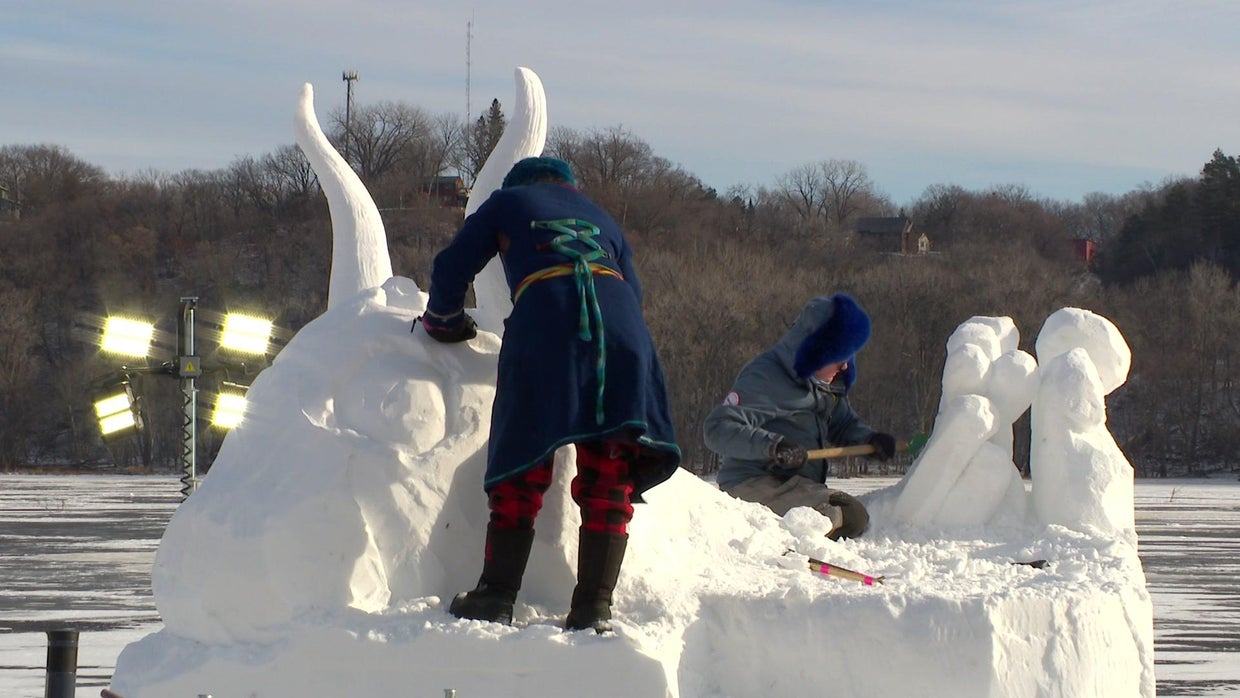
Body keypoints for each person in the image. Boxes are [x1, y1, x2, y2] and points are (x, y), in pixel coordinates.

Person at [420, 156, 681, 633]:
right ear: (567, 186)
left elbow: (453, 266)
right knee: (610, 462)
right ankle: (594, 607)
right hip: (624, 330)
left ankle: (497, 595)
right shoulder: (601, 216)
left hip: (548, 317)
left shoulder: (507, 201)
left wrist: (443, 323)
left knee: (524, 453)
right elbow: (635, 292)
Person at [702, 293, 895, 540]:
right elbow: (718, 429)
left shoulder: (823, 385)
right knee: (849, 515)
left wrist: (871, 441)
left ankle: (804, 528)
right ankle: (783, 538)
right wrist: (773, 447)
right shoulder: (766, 378)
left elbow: (843, 424)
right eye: (839, 357)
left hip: (796, 484)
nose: (844, 367)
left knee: (850, 514)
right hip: (754, 484)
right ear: (817, 351)